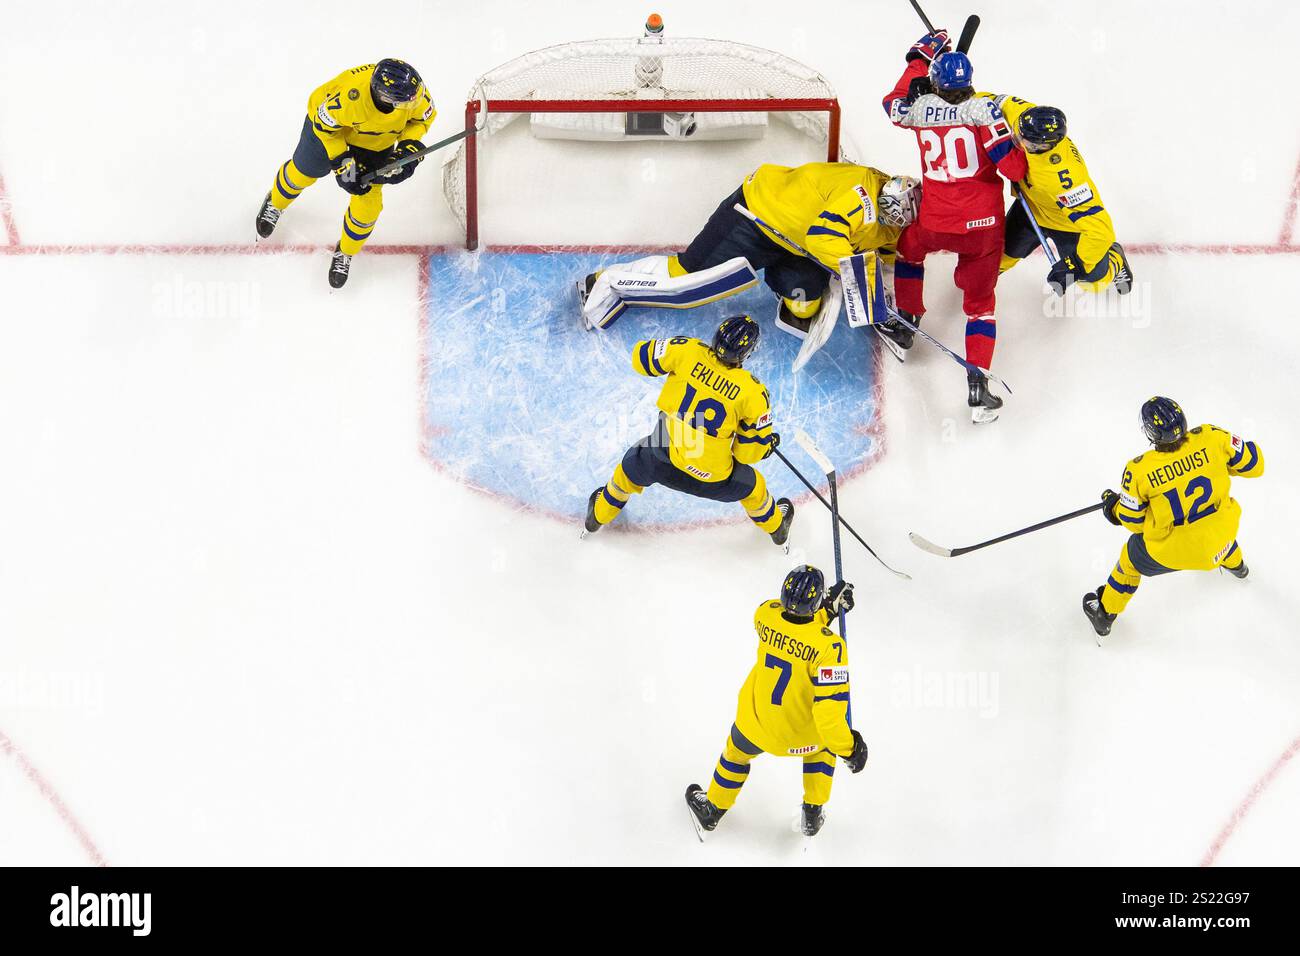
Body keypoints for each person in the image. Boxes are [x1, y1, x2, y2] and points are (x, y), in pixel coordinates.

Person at [578, 162, 919, 337]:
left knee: (804, 304)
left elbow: (886, 254)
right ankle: (601, 281)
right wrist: (867, 289)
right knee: (685, 278)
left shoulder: (896, 221)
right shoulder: (861, 198)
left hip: (795, 242)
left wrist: (892, 304)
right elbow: (822, 239)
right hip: (757, 216)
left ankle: (779, 279)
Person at [881, 32, 1028, 423]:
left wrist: (919, 58)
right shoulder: (984, 111)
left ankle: (906, 323)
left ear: (936, 82)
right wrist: (1014, 142)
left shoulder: (921, 107)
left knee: (909, 249)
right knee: (980, 307)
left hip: (936, 220)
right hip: (983, 228)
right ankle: (978, 387)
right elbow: (1013, 169)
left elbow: (891, 104)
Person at [685, 565, 867, 839]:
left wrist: (825, 610)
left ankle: (713, 808)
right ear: (815, 602)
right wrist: (851, 750)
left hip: (756, 726)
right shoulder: (831, 649)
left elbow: (792, 628)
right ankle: (812, 812)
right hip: (803, 737)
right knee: (825, 747)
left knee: (735, 754)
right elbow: (830, 719)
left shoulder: (764, 615)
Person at [582, 315, 794, 544]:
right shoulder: (754, 392)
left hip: (663, 457)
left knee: (629, 469)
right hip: (713, 478)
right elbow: (747, 454)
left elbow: (640, 359)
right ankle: (778, 530)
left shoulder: (688, 350)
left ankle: (597, 516)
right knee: (755, 489)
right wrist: (766, 444)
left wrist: (675, 352)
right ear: (747, 353)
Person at [1083, 397, 1265, 642]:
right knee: (1216, 530)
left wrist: (1113, 506)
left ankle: (1104, 615)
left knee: (1130, 559)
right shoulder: (1212, 436)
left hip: (1171, 551)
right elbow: (1255, 465)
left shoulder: (1138, 470)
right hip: (1222, 536)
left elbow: (1132, 522)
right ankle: (1238, 567)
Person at [254, 59, 435, 288]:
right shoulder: (348, 98)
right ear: (384, 96)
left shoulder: (412, 90)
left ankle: (346, 252)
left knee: (367, 205)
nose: (417, 102)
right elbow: (326, 129)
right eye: (407, 102)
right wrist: (342, 162)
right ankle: (276, 202)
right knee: (303, 172)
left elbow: (422, 119)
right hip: (328, 131)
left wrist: (408, 146)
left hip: (375, 140)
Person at [994, 99, 1133, 294]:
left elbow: (1101, 230)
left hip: (1066, 225)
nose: (1016, 138)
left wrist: (1073, 264)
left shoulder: (1066, 180)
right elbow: (998, 101)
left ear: (1043, 146)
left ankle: (1116, 259)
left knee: (1092, 284)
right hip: (1032, 208)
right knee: (994, 261)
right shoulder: (1027, 119)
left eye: (1023, 140)